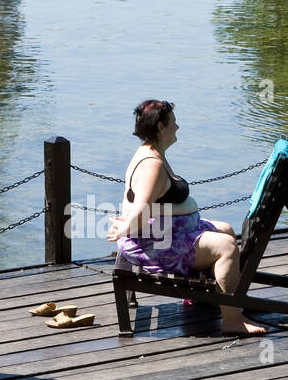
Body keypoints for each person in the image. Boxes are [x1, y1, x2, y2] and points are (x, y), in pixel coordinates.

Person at [106, 100, 267, 335]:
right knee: (227, 247)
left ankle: (212, 297)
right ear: (161, 127)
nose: (178, 127)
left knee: (225, 229)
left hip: (170, 233)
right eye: (173, 122)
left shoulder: (151, 151)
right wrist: (125, 228)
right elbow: (141, 206)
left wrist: (129, 222)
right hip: (159, 245)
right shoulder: (152, 165)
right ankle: (232, 319)